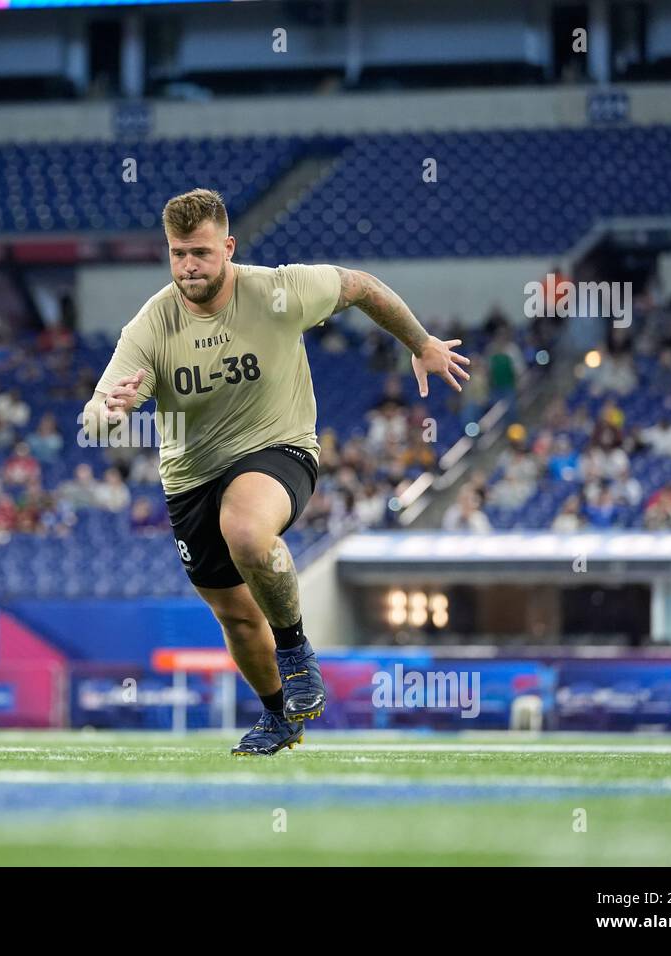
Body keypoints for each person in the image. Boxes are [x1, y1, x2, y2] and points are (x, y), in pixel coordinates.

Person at [82, 188, 469, 755]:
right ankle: (277, 718)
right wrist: (108, 414)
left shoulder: (278, 292)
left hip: (278, 447)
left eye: (201, 253)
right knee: (236, 617)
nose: (188, 266)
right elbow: (93, 419)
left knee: (246, 530)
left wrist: (421, 342)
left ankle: (295, 651)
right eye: (177, 254)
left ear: (229, 247)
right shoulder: (151, 326)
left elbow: (360, 285)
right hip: (190, 479)